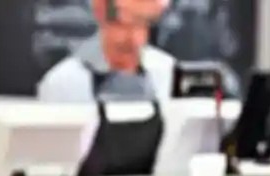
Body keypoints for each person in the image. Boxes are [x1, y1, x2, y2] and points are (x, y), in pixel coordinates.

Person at [38, 0, 175, 103]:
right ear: (101, 14)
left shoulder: (168, 72)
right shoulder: (64, 83)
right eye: (124, 25)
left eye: (143, 25)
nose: (135, 39)